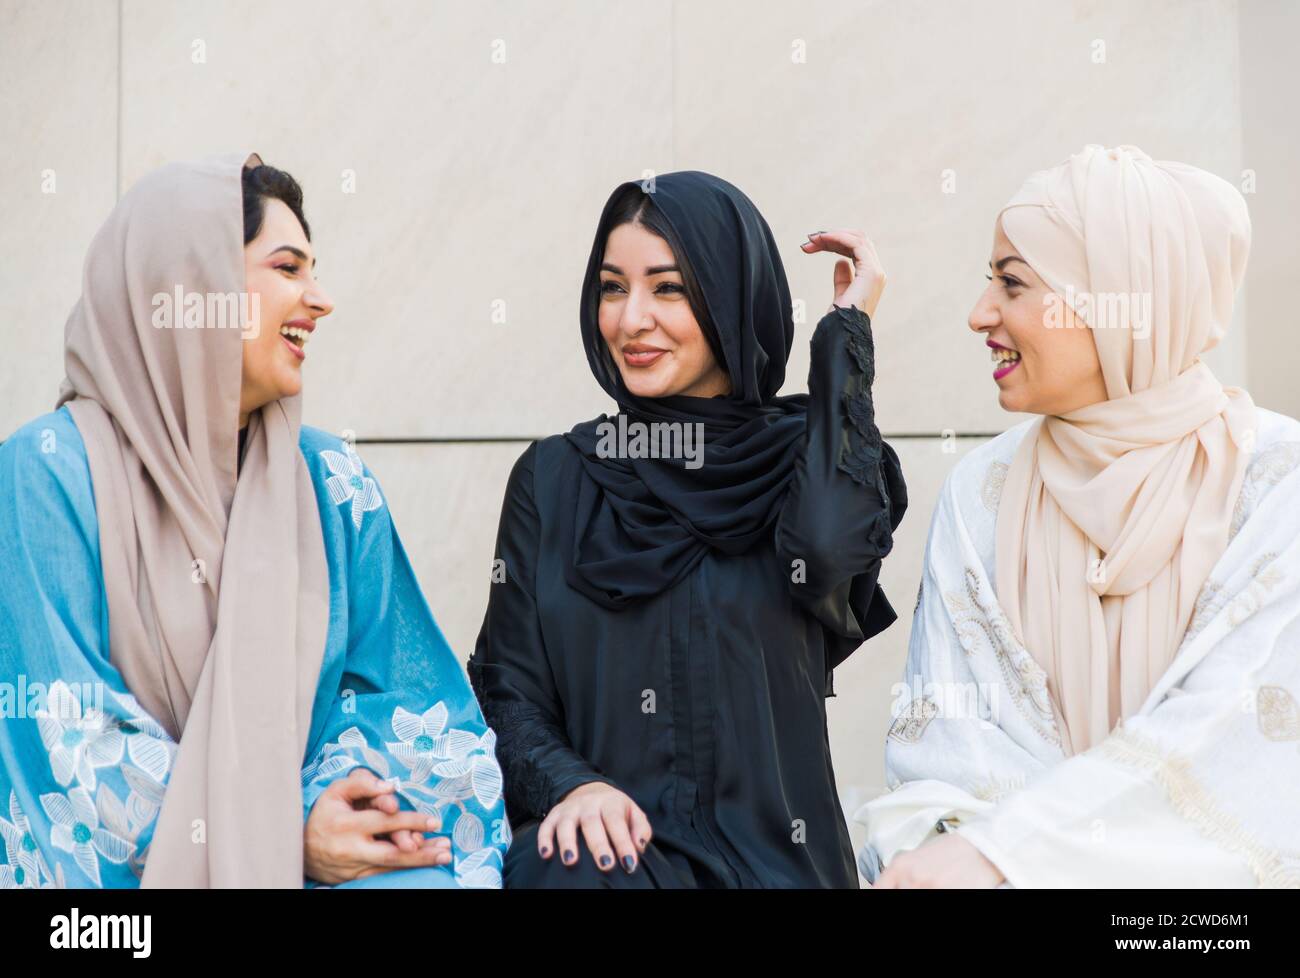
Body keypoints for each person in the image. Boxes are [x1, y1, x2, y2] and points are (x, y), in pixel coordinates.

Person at [0, 153, 508, 889]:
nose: (320, 299)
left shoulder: (332, 485)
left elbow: (404, 703)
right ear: (192, 287)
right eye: (288, 268)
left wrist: (334, 813)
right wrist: (284, 834)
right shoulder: (47, 473)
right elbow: (70, 745)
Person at [857, 144, 1300, 888]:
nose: (979, 314)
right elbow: (942, 754)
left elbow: (1243, 755)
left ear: (1111, 297)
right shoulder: (982, 491)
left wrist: (1010, 855)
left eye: (1012, 284)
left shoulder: (1276, 482)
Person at [470, 171, 907, 888]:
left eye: (667, 288)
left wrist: (844, 341)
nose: (631, 319)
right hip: (607, 868)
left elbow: (827, 556)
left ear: (733, 298)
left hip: (778, 869)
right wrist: (573, 788)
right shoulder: (554, 479)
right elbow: (509, 693)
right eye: (613, 288)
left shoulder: (812, 461)